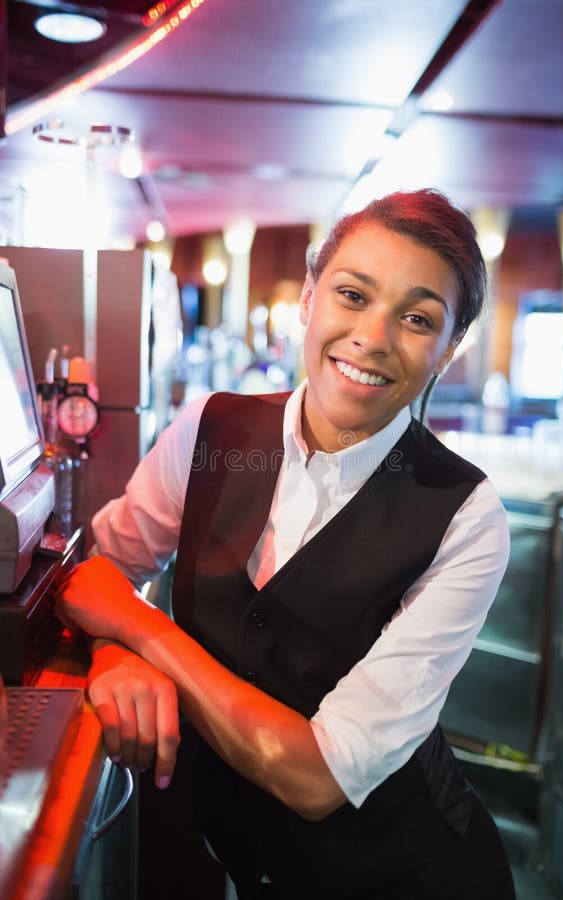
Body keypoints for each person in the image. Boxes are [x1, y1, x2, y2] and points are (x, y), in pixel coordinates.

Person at [58, 189, 516, 900]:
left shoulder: (466, 517)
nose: (372, 336)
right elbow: (99, 573)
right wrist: (115, 655)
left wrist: (139, 629)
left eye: (418, 318)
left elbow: (316, 775)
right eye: (353, 294)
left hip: (404, 876)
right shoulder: (211, 431)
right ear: (308, 296)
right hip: (234, 862)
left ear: (450, 348)